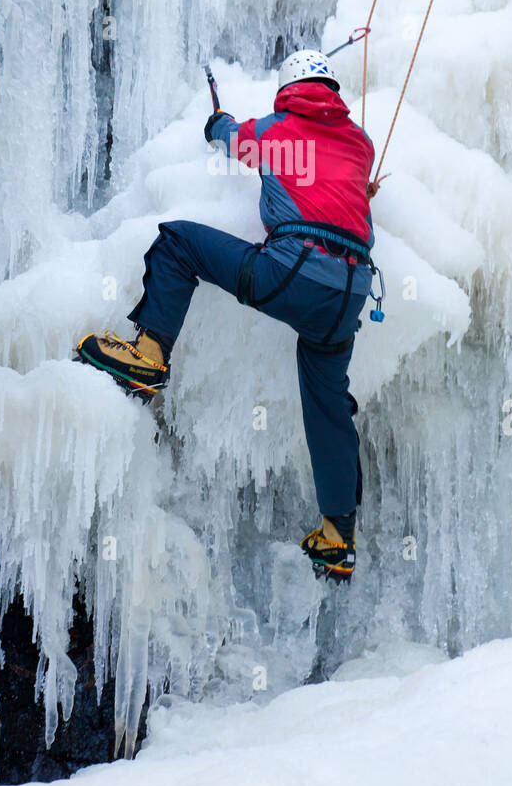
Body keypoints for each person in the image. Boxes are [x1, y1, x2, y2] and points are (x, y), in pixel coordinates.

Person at [76, 50, 377, 584]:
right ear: (332, 92)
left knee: (177, 244)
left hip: (294, 271)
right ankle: (337, 536)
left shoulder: (282, 127)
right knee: (328, 405)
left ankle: (148, 357)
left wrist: (219, 123)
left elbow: (237, 143)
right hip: (350, 295)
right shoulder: (359, 144)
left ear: (288, 90)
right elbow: (339, 185)